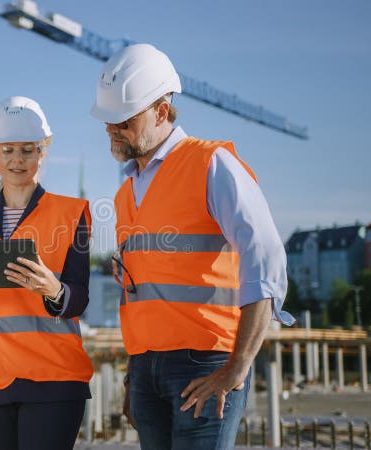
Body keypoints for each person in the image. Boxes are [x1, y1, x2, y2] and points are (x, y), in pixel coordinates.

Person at [89, 43, 296, 449]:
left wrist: (237, 368)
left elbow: (267, 258)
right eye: (107, 122)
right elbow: (143, 292)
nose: (112, 130)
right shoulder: (125, 194)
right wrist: (136, 376)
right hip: (148, 367)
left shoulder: (211, 164)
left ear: (161, 112)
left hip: (206, 361)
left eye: (123, 121)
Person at [0, 96, 93, 450]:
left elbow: (79, 296)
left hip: (54, 378)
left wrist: (55, 290)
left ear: (43, 152)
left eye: (28, 150)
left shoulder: (72, 214)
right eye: (7, 150)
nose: (17, 160)